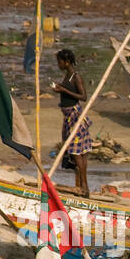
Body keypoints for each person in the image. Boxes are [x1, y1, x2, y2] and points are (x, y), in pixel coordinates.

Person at [51, 48, 92, 196]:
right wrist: (60, 89)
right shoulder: (67, 76)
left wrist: (64, 90)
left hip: (75, 117)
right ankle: (80, 185)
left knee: (77, 152)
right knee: (77, 153)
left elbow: (83, 96)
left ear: (67, 62)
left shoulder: (76, 76)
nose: (58, 64)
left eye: (60, 62)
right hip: (68, 118)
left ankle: (85, 186)